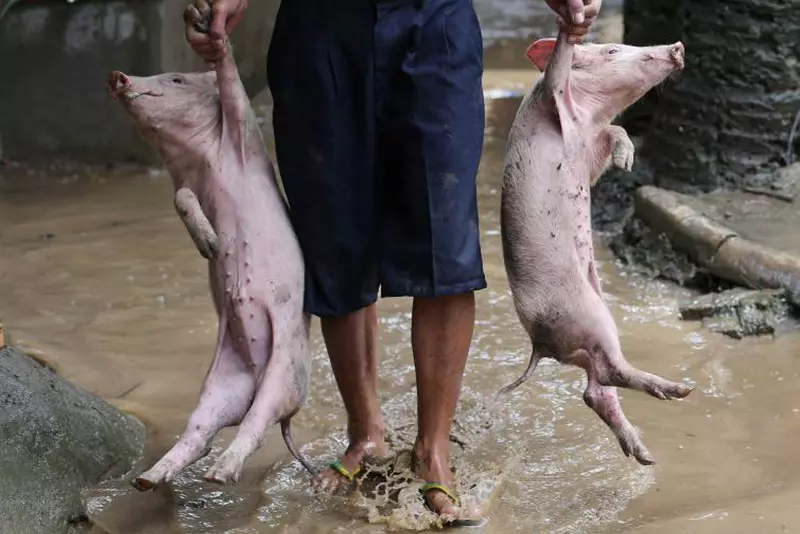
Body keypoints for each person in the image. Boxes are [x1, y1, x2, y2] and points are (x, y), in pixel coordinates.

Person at [186, 0, 600, 522]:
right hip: (319, 33)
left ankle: (434, 450)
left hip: (436, 25)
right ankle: (366, 435)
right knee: (335, 239)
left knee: (445, 242)